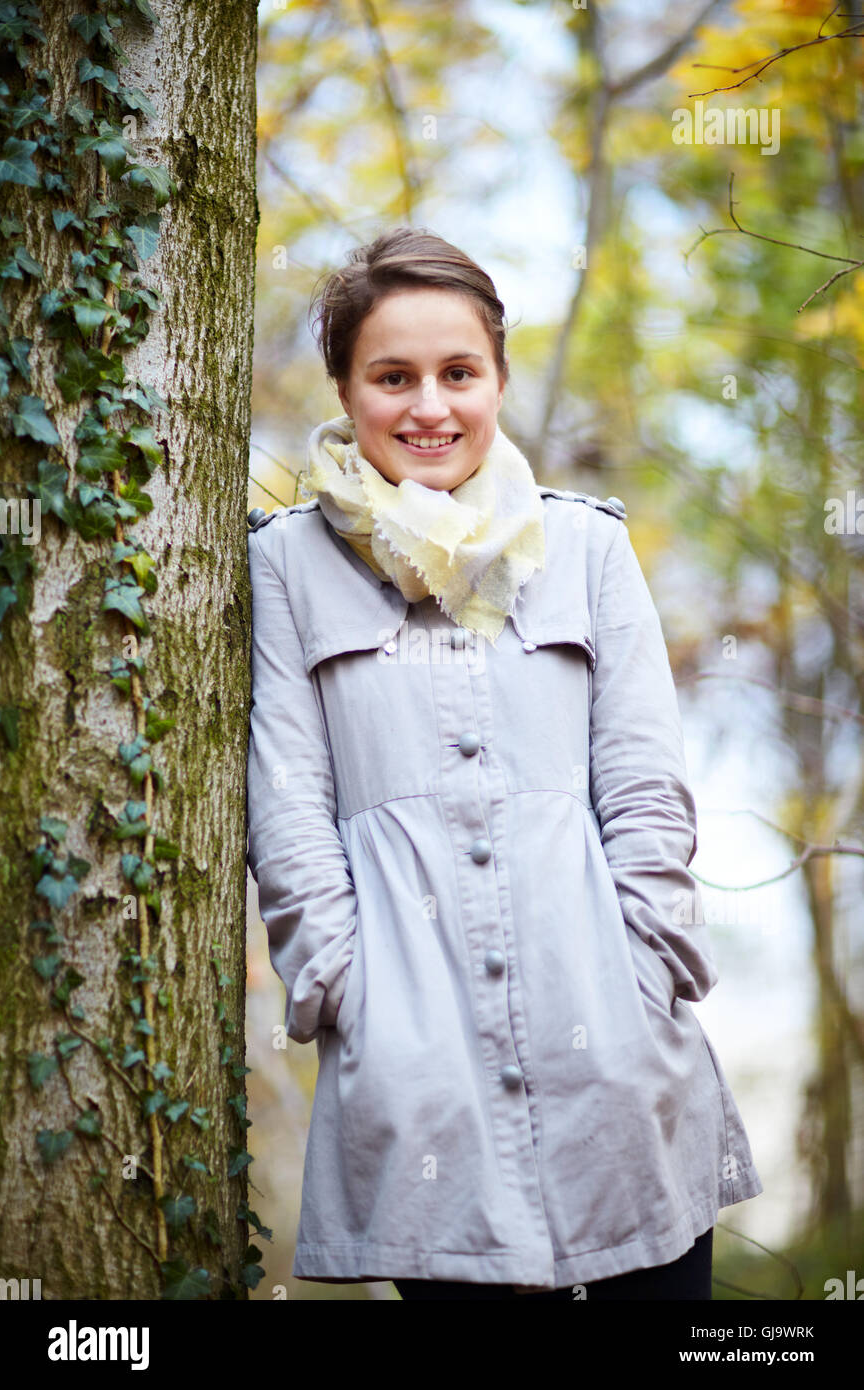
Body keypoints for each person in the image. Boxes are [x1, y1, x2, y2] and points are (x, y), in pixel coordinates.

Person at [245, 226, 763, 1301]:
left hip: (620, 1077)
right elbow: (288, 805)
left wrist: (645, 976)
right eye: (391, 376)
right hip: (422, 1089)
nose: (427, 405)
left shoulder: (584, 547)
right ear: (346, 387)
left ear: (496, 379)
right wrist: (349, 1000)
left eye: (456, 373)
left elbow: (643, 790)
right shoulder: (285, 566)